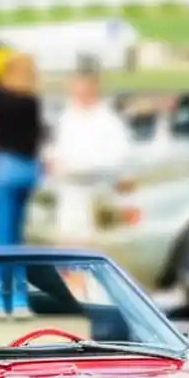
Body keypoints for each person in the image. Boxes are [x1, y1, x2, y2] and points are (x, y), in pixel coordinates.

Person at [0, 53, 42, 320]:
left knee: (0, 241)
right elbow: (38, 138)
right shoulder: (33, 101)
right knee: (19, 241)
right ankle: (20, 300)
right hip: (28, 170)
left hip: (4, 169)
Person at [46, 57, 131, 246]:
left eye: (87, 83)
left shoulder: (108, 120)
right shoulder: (64, 117)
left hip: (97, 198)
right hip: (68, 198)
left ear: (96, 84)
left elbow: (119, 157)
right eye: (78, 82)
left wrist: (85, 166)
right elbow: (53, 150)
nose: (82, 88)